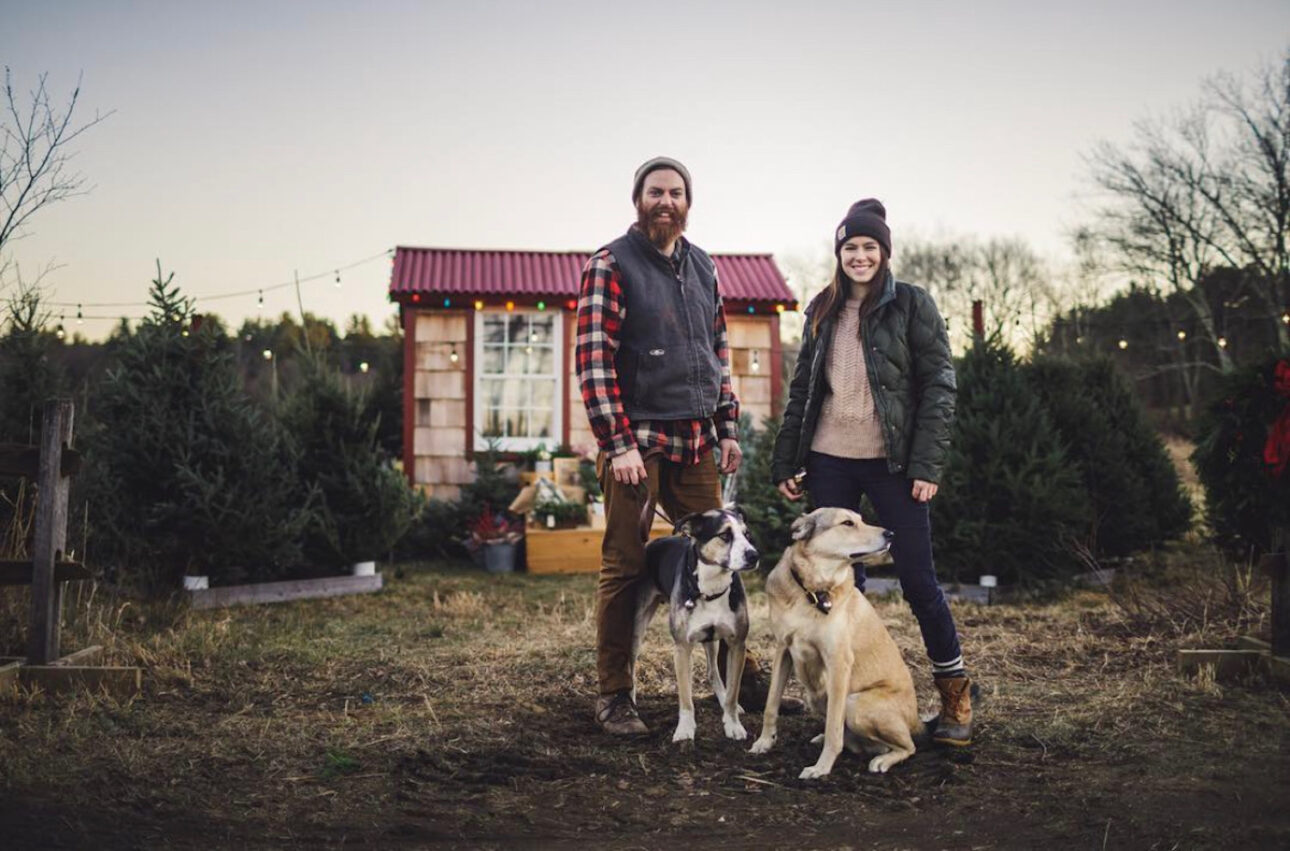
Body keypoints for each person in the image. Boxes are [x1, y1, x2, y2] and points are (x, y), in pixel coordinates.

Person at [576, 156, 797, 735]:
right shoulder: (611, 265)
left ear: (688, 203)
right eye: (655, 192)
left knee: (726, 550)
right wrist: (617, 444)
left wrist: (727, 427)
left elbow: (715, 353)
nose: (665, 202)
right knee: (625, 565)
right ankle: (614, 695)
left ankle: (741, 679)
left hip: (696, 437)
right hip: (638, 441)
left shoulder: (703, 267)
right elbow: (594, 361)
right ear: (638, 200)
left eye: (676, 193)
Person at [770, 198, 973, 746]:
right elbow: (803, 393)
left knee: (917, 579)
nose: (859, 256)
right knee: (839, 588)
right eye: (850, 247)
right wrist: (788, 460)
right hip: (829, 462)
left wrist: (927, 464)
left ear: (884, 253)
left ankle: (954, 700)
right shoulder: (822, 308)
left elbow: (939, 387)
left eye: (869, 247)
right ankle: (838, 706)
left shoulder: (911, 305)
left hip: (895, 466)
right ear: (839, 254)